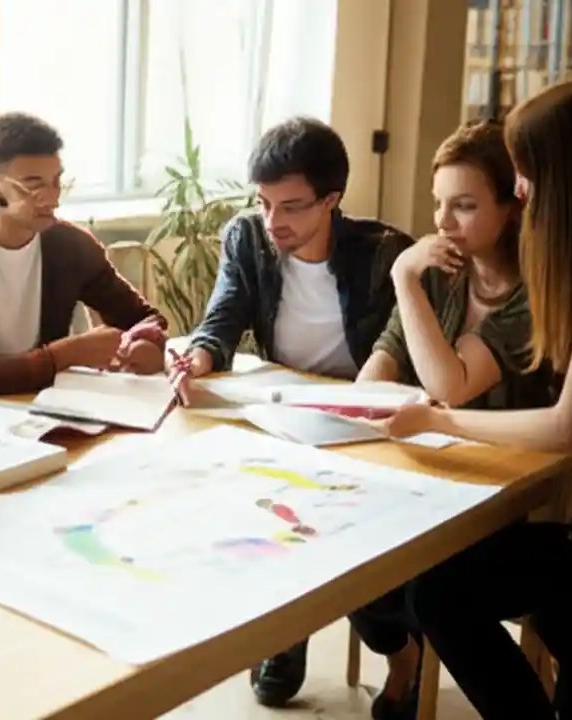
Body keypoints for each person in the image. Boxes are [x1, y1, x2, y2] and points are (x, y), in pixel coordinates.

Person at [384, 76, 572, 720]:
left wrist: (445, 421)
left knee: (453, 592)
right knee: (442, 589)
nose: (522, 190)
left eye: (526, 172)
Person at [170, 116, 414, 708]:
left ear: (332, 200)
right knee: (253, 506)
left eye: (293, 207)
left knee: (355, 531)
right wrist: (199, 357)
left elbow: (399, 347)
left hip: (365, 417)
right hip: (282, 408)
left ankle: (403, 658)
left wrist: (359, 404)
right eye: (264, 203)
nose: (274, 222)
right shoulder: (247, 237)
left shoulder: (385, 254)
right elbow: (225, 311)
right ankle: (285, 632)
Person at [346, 120, 555, 720]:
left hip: (513, 499)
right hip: (436, 477)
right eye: (439, 204)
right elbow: (381, 367)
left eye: (464, 206)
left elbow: (450, 386)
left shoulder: (533, 293)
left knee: (426, 586)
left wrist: (402, 277)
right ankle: (401, 655)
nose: (443, 222)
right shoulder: (442, 271)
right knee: (344, 543)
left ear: (512, 208)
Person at [0, 111, 168, 396]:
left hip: (47, 408)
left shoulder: (70, 245)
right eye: (34, 185)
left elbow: (144, 318)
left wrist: (145, 344)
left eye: (56, 182)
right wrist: (63, 355)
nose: (52, 198)